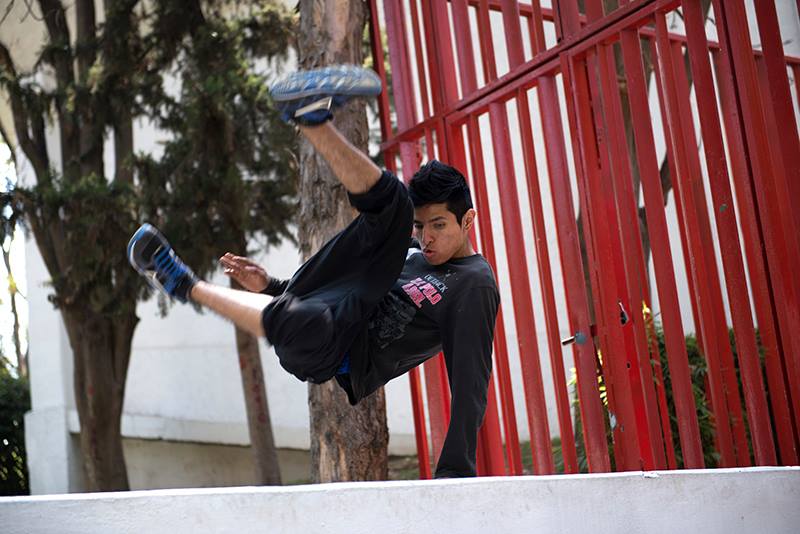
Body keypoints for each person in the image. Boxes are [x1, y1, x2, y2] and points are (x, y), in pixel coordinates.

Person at [127, 65, 500, 478]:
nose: (426, 238)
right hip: (335, 301)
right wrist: (269, 286)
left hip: (333, 348)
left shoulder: (474, 284)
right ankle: (310, 117)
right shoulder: (415, 250)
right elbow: (348, 281)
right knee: (391, 202)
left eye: (439, 226)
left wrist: (453, 477)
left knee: (304, 320)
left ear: (468, 221)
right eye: (421, 226)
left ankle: (183, 283)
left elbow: (471, 386)